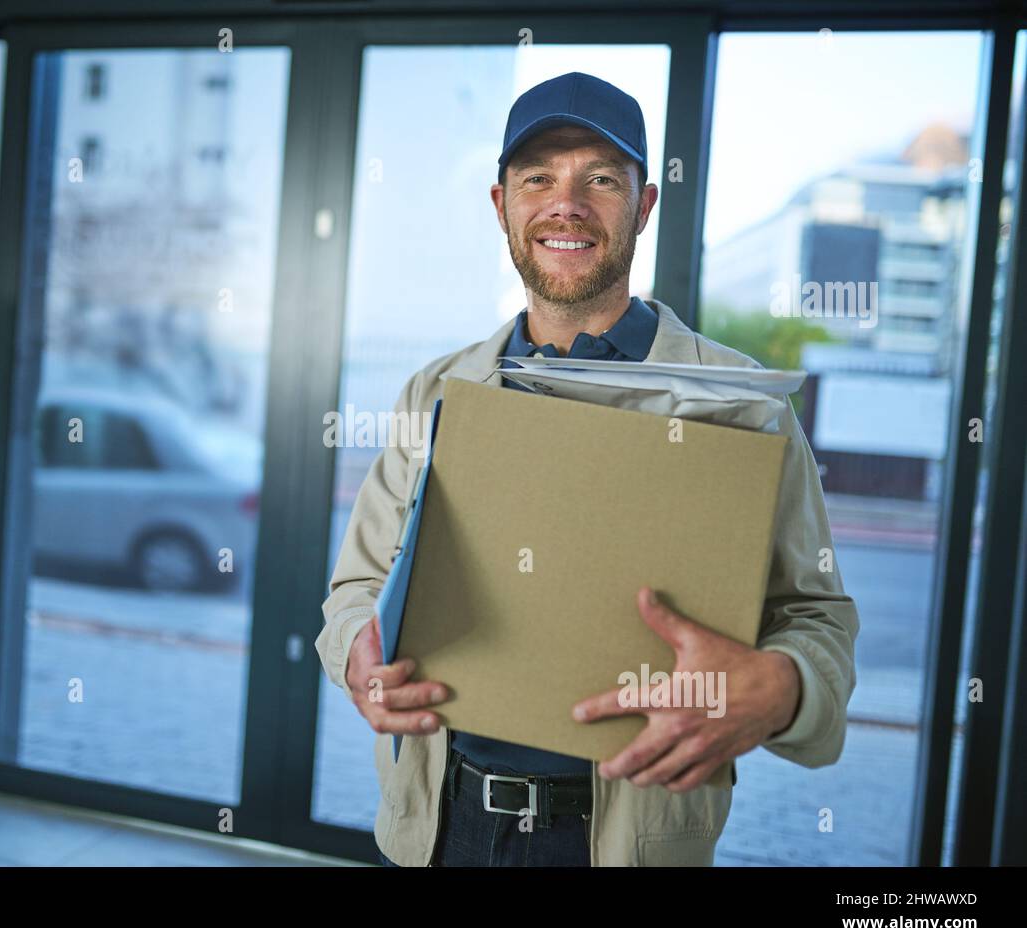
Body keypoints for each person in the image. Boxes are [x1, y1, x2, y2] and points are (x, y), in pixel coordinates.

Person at [315, 72, 859, 867]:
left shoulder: (744, 406)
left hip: (622, 845)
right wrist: (357, 655)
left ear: (644, 207)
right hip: (443, 827)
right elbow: (354, 591)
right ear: (501, 206)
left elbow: (818, 616)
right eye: (538, 178)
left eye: (599, 180)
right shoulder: (436, 392)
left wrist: (783, 686)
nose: (564, 205)